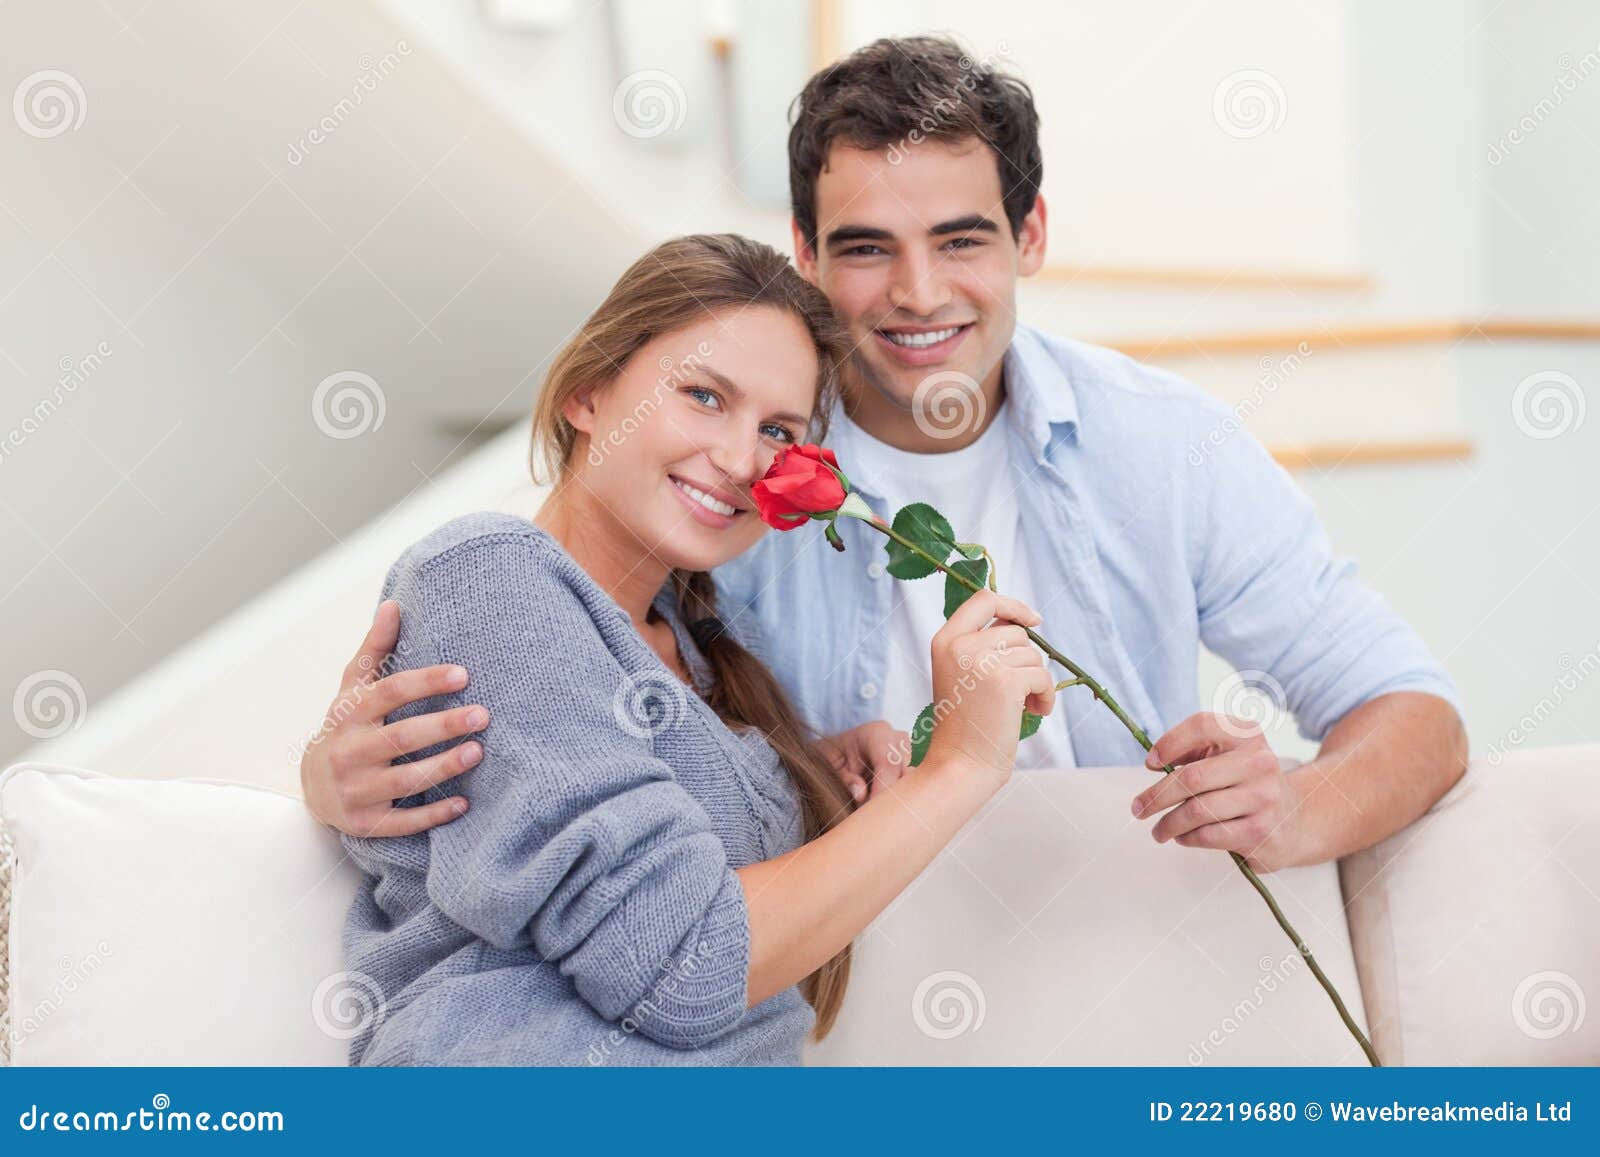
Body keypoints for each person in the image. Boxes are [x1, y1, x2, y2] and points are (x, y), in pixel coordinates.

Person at [305, 36, 1465, 889]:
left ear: (1029, 237)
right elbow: (557, 714)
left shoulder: (1165, 445)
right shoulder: (723, 479)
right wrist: (334, 782)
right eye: (866, 248)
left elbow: (1415, 712)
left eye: (959, 240)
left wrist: (1294, 806)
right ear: (806, 254)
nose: (916, 293)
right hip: (835, 962)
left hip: (1118, 921)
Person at [338, 233, 1057, 1065]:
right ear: (587, 394)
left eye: (778, 430)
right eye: (705, 395)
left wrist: (810, 772)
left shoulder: (710, 640)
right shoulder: (488, 574)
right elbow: (682, 965)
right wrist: (958, 767)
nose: (742, 460)